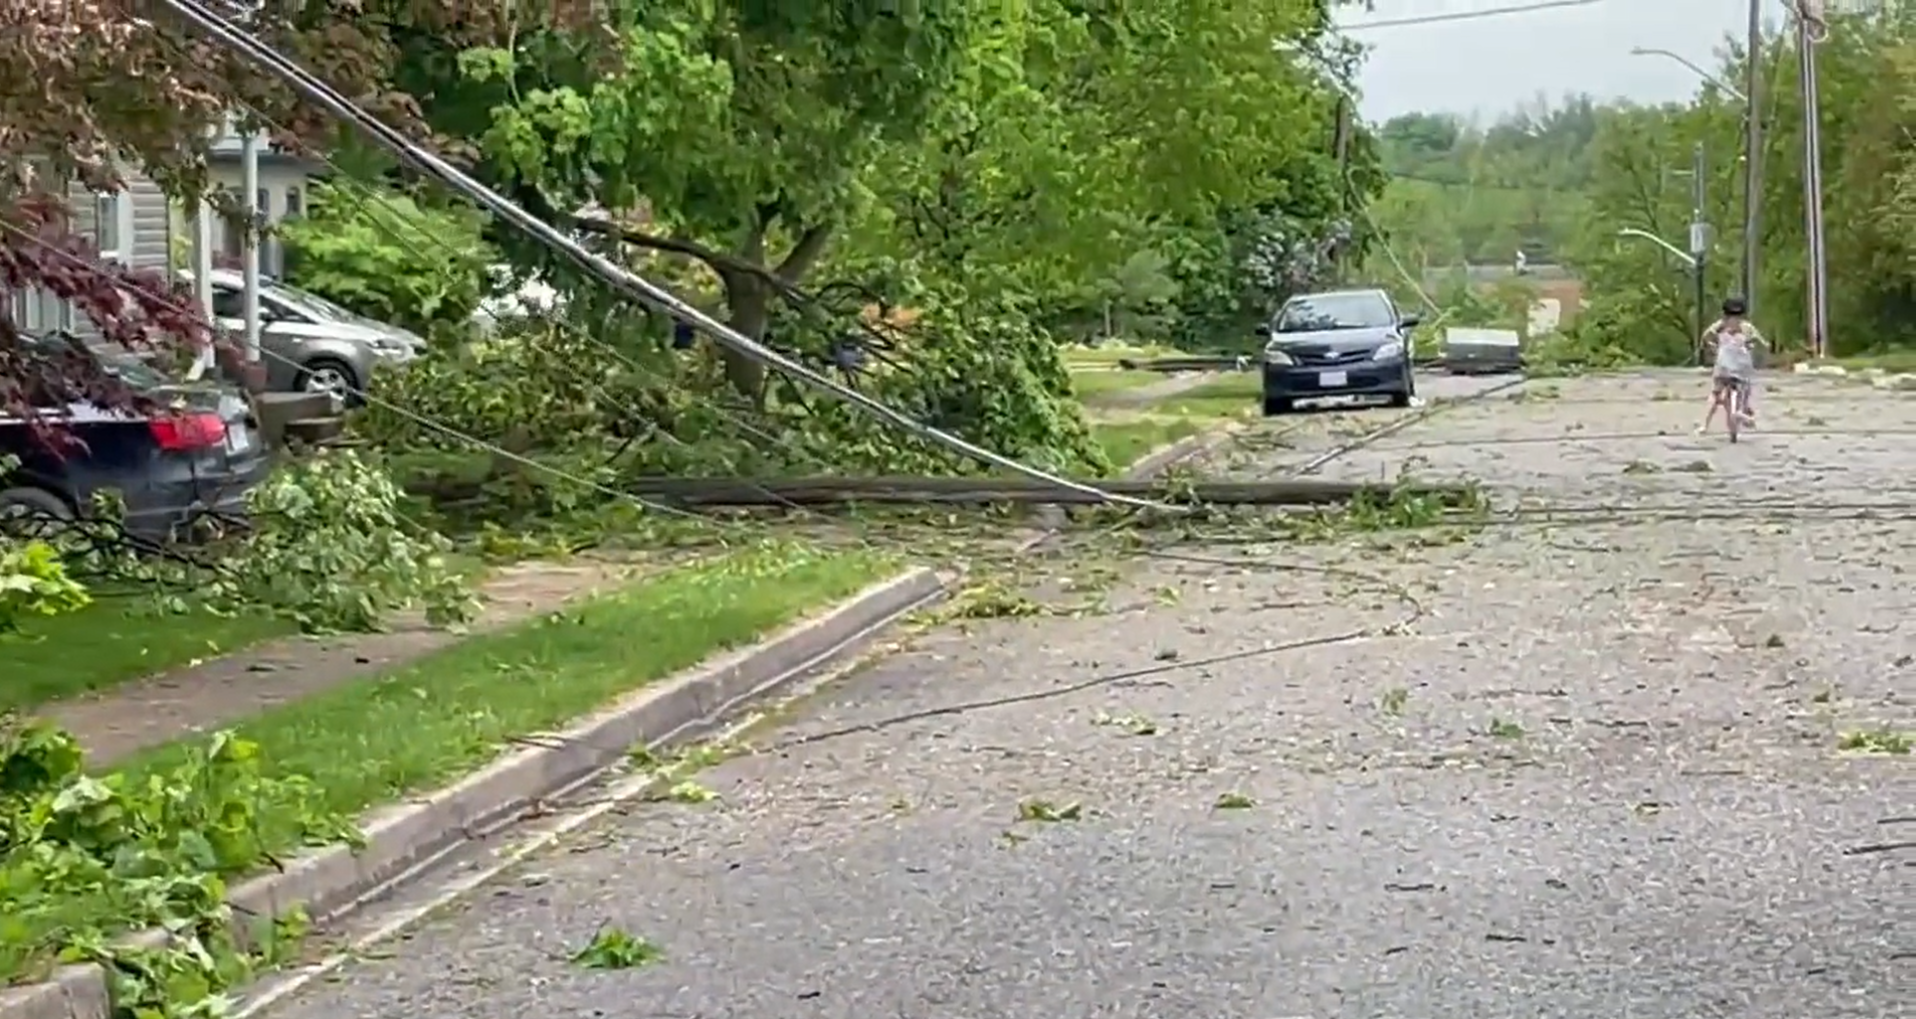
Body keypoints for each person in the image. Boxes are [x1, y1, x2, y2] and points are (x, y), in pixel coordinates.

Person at [1696, 296, 1763, 435]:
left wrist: (1713, 346)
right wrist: (1753, 346)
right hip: (1741, 367)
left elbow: (1706, 336)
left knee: (1715, 394)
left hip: (1723, 366)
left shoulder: (1720, 325)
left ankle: (1704, 425)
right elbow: (1759, 340)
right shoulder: (1746, 327)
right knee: (1746, 388)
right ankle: (1743, 409)